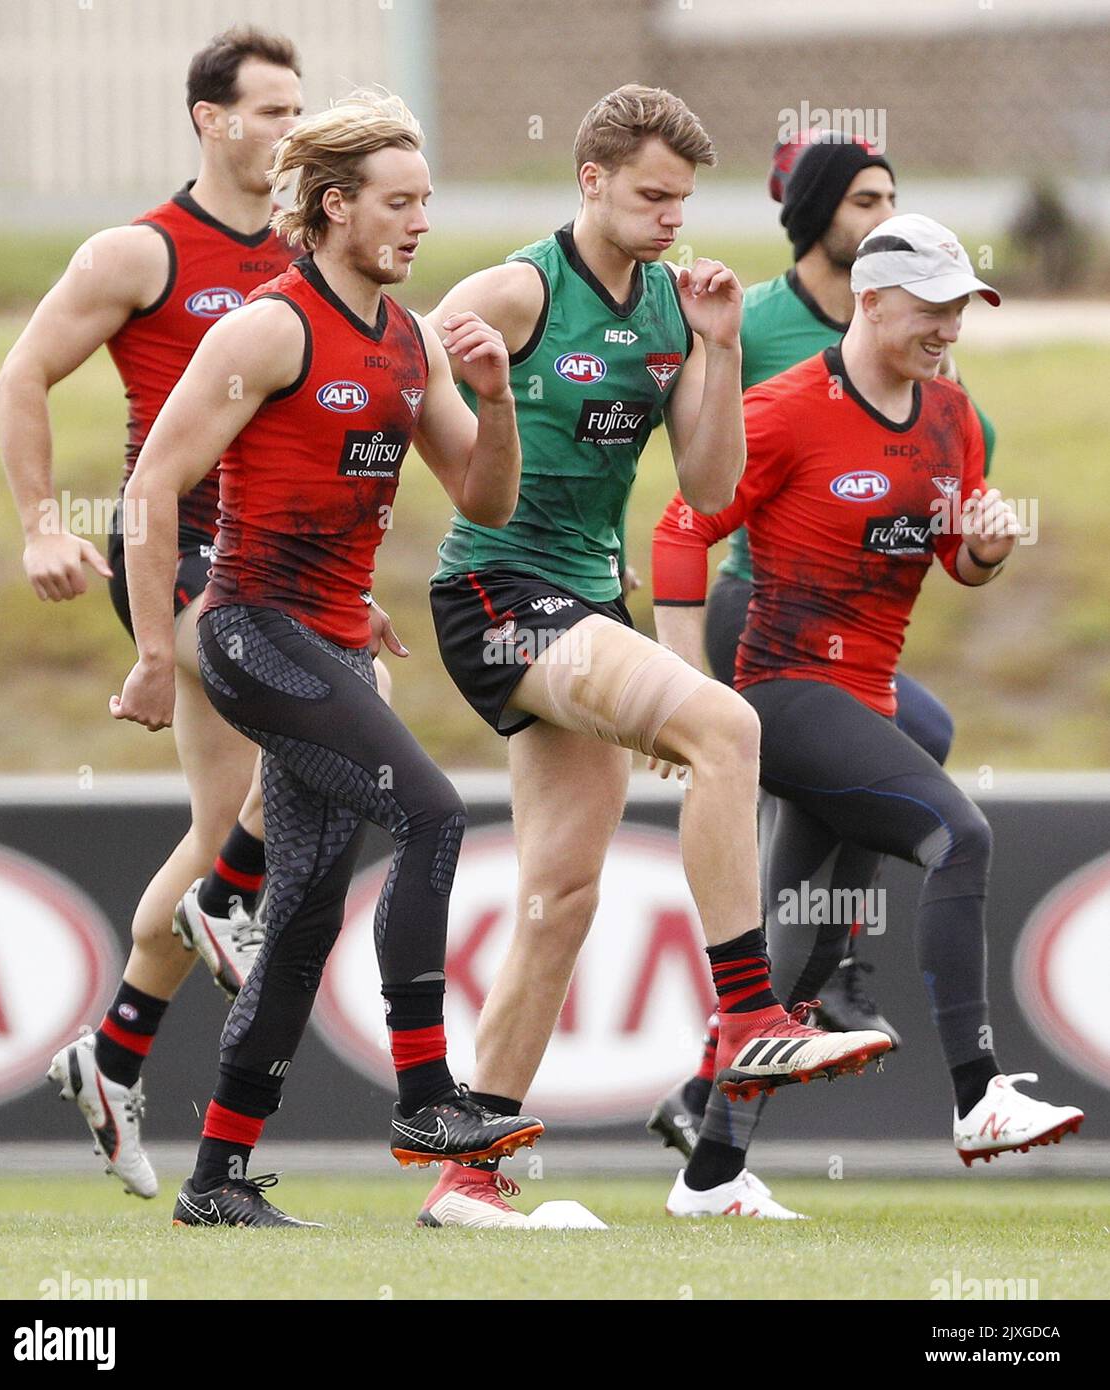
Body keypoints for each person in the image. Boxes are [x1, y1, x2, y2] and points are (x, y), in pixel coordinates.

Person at [416, 86, 891, 1230]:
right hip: (496, 595)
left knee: (560, 897)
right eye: (651, 195)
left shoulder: (680, 308)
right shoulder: (517, 291)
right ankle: (749, 1012)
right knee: (726, 725)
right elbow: (394, 387)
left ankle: (466, 1177)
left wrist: (720, 350)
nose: (673, 217)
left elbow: (713, 487)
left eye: (684, 200)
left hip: (588, 600)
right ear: (590, 181)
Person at [115, 90, 545, 1228]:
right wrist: (156, 651)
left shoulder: (412, 342)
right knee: (434, 811)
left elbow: (486, 498)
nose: (420, 223)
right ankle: (427, 1098)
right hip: (250, 633)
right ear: (336, 205)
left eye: (426, 202)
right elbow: (152, 487)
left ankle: (215, 1182)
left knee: (303, 912)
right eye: (399, 203)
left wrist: (498, 402)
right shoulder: (267, 329)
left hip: (335, 643)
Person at [652, 214, 1083, 1218]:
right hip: (784, 692)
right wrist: (684, 685)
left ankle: (710, 1175)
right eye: (933, 308)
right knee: (959, 835)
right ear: (872, 299)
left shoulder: (953, 416)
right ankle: (978, 1096)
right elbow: (680, 530)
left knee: (799, 950)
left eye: (961, 309)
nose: (950, 328)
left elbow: (956, 558)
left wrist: (984, 550)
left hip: (867, 697)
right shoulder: (785, 409)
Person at [0, 26, 317, 1198]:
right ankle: (227, 904)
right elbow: (21, 372)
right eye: (271, 111)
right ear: (209, 120)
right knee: (336, 706)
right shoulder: (142, 251)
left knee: (224, 820)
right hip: (174, 550)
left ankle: (113, 1052)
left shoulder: (308, 250)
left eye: (300, 111)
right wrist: (42, 524)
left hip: (281, 561)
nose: (290, 131)